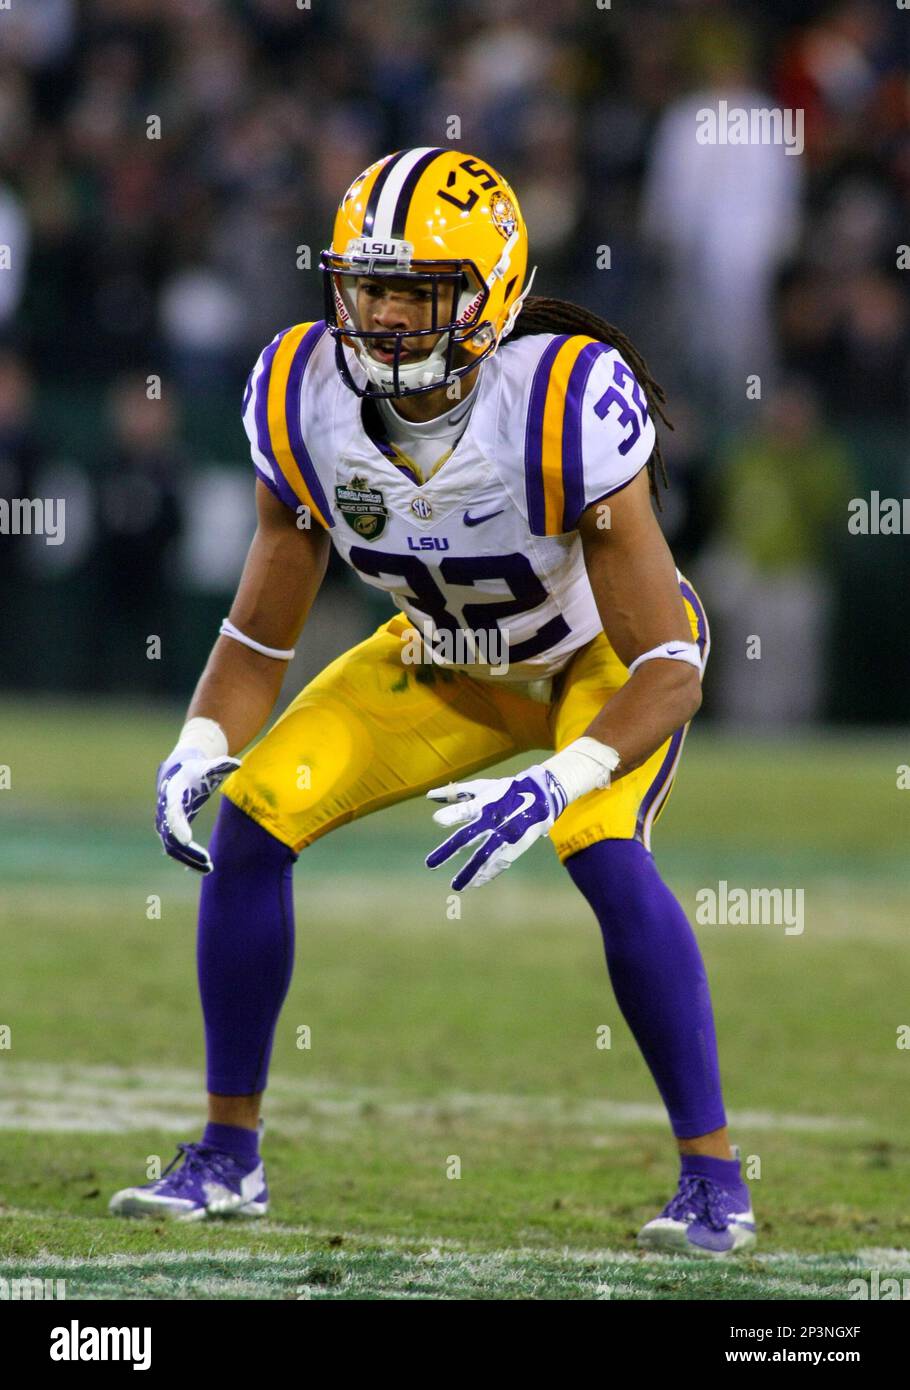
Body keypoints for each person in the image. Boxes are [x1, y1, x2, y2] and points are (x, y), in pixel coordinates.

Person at [110, 147, 755, 1255]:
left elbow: (671, 669)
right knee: (253, 814)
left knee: (597, 840)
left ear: (489, 294)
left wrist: (564, 773)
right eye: (371, 287)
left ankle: (712, 1181)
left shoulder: (557, 400)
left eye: (420, 292)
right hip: (443, 661)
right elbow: (259, 627)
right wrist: (199, 739)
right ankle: (228, 1156)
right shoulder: (299, 392)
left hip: (594, 667)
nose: (388, 318)